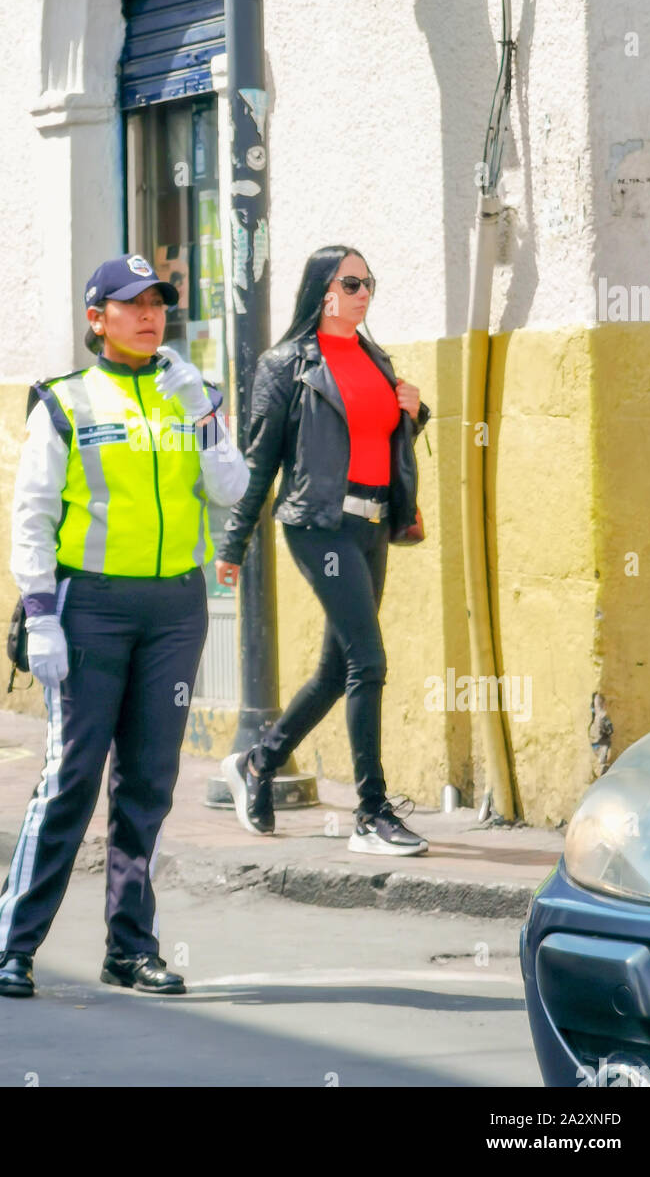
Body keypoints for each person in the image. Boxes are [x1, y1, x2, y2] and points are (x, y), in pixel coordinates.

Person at [0, 254, 249, 998]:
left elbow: (231, 491)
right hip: (91, 608)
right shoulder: (65, 402)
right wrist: (41, 613)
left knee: (147, 786)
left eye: (158, 304)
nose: (149, 315)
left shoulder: (188, 395)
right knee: (70, 778)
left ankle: (129, 949)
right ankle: (15, 946)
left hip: (174, 608)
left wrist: (203, 412)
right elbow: (32, 514)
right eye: (130, 304)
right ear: (95, 319)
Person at [215, 246, 431, 856]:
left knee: (337, 671)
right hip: (318, 526)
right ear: (323, 291)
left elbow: (384, 437)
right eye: (353, 282)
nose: (364, 294)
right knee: (370, 661)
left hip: (372, 524)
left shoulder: (374, 358)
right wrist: (234, 543)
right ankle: (372, 812)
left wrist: (415, 412)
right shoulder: (286, 364)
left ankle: (258, 762)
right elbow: (261, 462)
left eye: (370, 283)